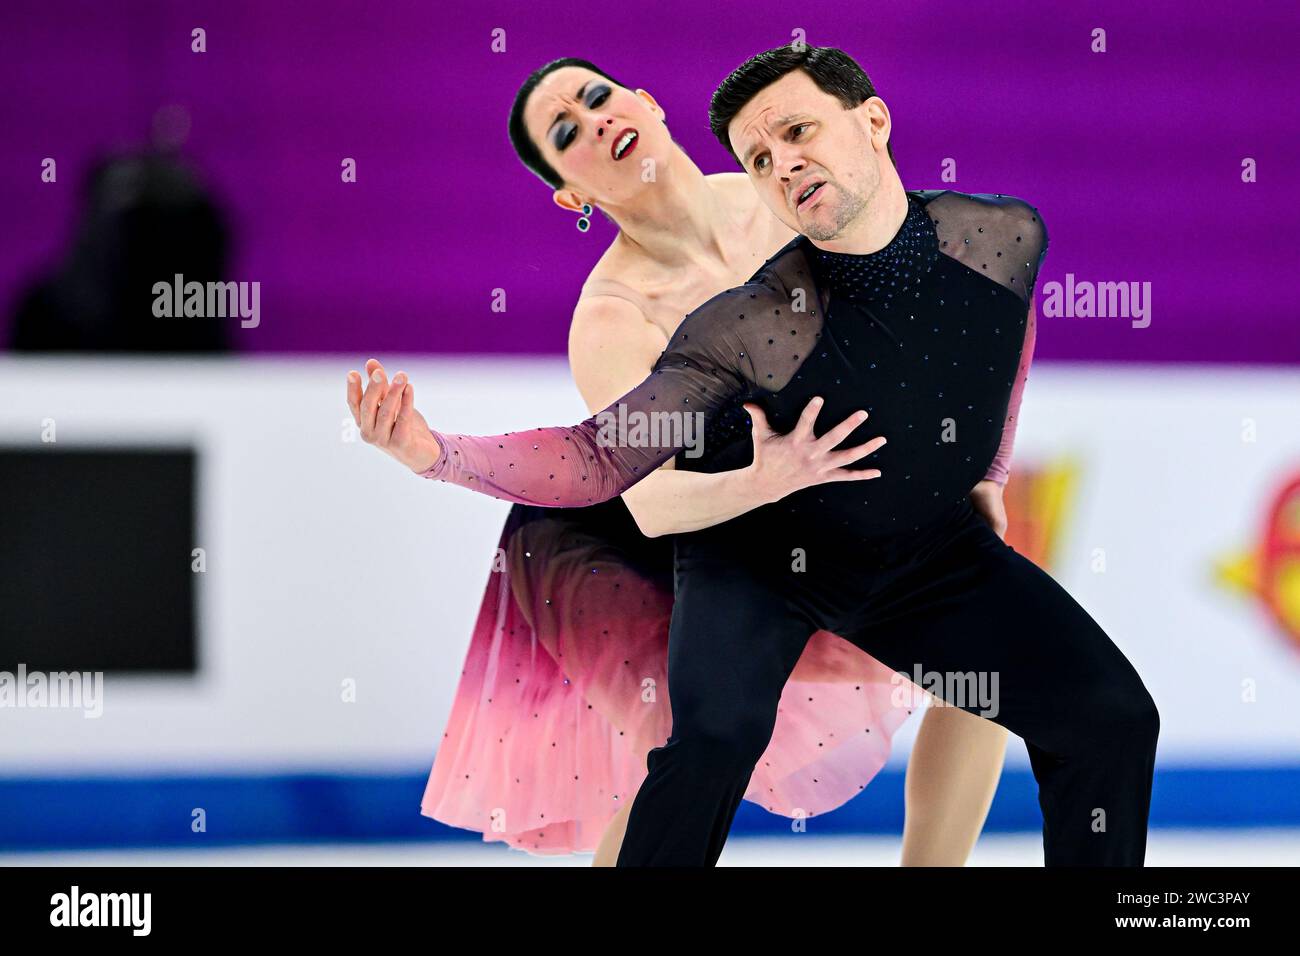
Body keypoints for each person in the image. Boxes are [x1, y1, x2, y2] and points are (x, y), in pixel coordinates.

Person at [349, 44, 1159, 866]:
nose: (597, 121)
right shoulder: (616, 314)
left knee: (990, 673)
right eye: (568, 131)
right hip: (658, 530)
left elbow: (983, 301)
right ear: (572, 192)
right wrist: (436, 453)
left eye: (597, 98)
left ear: (645, 100)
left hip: (829, 496)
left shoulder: (793, 194)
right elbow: (645, 497)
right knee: (702, 742)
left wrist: (985, 467)